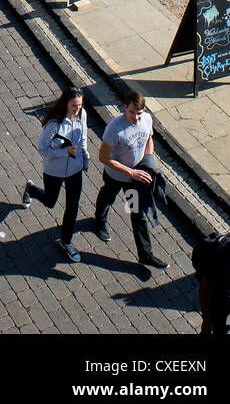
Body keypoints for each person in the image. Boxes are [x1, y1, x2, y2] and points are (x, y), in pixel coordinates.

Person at [94, 89, 169, 268]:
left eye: (139, 113)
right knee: (108, 197)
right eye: (132, 113)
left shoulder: (147, 120)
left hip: (135, 180)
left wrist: (148, 160)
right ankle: (99, 220)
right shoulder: (114, 128)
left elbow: (149, 139)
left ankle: (145, 255)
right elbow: (104, 157)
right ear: (124, 107)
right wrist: (130, 172)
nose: (136, 118)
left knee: (137, 214)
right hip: (116, 176)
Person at [21, 87, 89, 264]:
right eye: (74, 106)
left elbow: (83, 138)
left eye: (80, 105)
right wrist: (65, 151)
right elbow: (43, 149)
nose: (77, 110)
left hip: (75, 168)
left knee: (72, 206)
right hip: (54, 170)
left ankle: (66, 242)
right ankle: (31, 189)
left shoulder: (82, 115)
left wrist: (85, 158)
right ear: (65, 104)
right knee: (50, 201)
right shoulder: (54, 124)